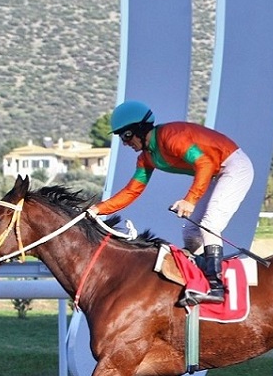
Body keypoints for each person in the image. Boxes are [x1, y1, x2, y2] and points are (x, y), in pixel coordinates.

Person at [87, 100, 255, 303]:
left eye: (126, 135)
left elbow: (205, 162)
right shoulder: (146, 158)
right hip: (217, 172)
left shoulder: (171, 136)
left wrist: (190, 200)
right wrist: (98, 209)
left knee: (210, 225)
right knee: (190, 233)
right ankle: (193, 274)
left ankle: (216, 288)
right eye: (121, 137)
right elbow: (131, 191)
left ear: (140, 129)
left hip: (234, 167)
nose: (125, 142)